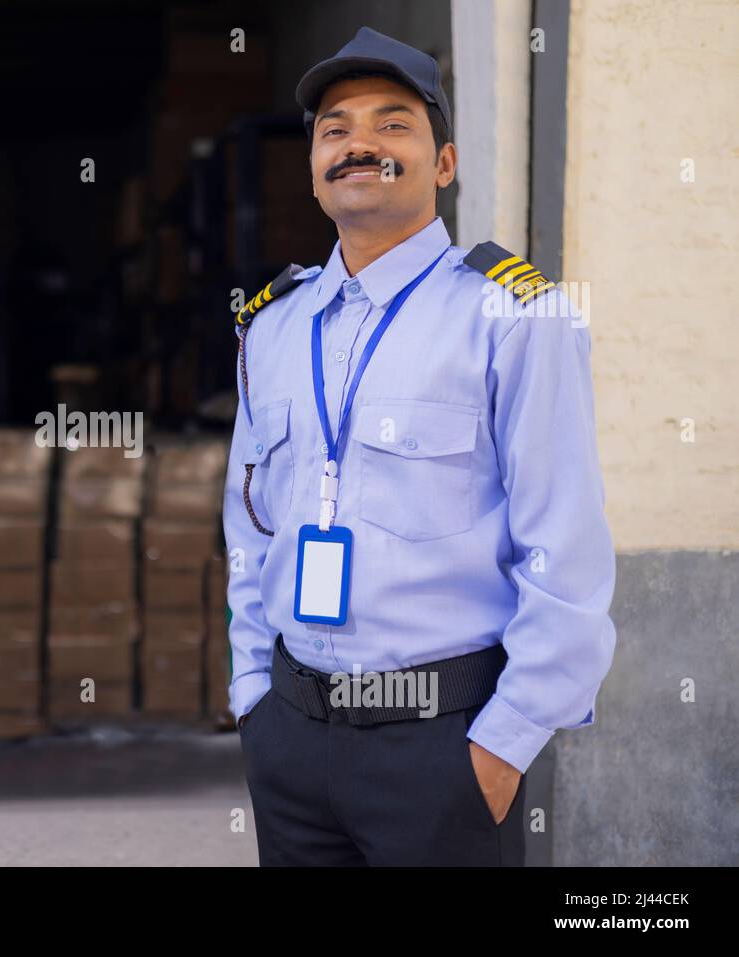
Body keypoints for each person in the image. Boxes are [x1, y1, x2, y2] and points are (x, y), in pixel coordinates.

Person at [224, 26, 616, 866]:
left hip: (442, 746)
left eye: (392, 123)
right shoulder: (271, 326)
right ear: (315, 165)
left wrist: (502, 746)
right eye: (335, 128)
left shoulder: (516, 317)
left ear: (443, 163)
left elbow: (566, 547)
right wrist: (253, 693)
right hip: (291, 741)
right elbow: (250, 529)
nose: (359, 142)